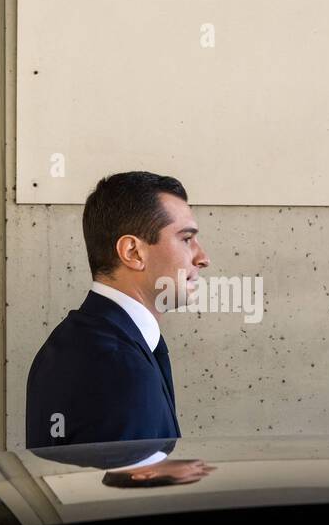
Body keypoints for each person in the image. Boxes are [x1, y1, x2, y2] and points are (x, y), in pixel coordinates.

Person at [25, 172, 210, 458]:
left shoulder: (72, 342)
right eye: (186, 239)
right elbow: (130, 501)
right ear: (133, 252)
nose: (202, 257)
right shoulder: (119, 365)